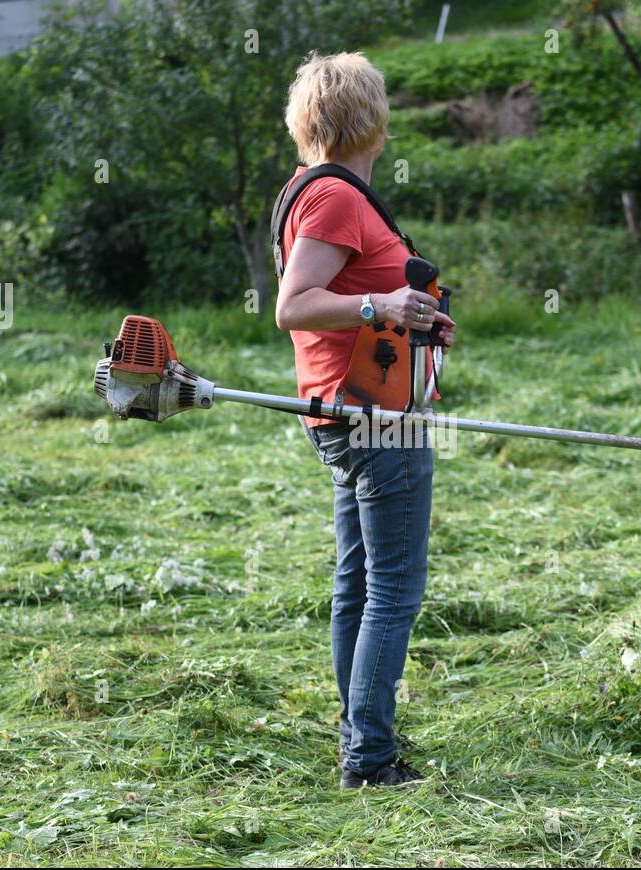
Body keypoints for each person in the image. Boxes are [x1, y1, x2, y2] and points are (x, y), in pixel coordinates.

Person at [273, 51, 455, 789]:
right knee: (393, 591)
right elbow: (295, 304)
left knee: (359, 583)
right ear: (372, 124)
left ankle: (360, 738)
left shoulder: (311, 189)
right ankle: (371, 760)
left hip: (347, 411)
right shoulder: (337, 199)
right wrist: (382, 305)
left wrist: (419, 319)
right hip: (374, 422)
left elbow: (351, 294)